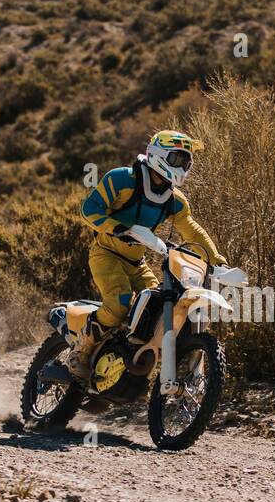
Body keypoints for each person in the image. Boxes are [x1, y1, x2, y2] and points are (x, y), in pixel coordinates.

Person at [44, 129, 227, 386]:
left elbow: (191, 229)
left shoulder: (175, 201)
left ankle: (129, 363)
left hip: (137, 263)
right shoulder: (122, 180)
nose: (182, 167)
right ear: (158, 155)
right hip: (107, 253)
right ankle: (81, 352)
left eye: (186, 162)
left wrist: (217, 261)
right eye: (177, 159)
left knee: (157, 309)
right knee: (119, 303)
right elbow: (89, 209)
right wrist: (119, 228)